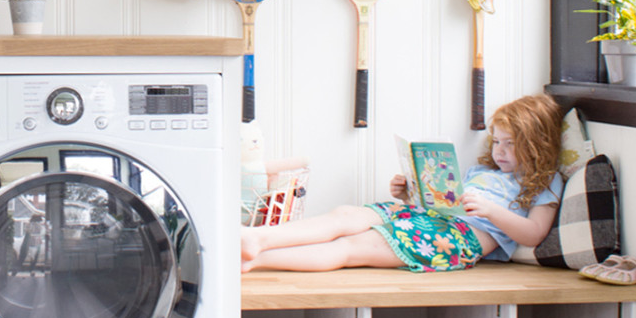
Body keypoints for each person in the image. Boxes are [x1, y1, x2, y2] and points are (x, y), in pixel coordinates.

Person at [241, 94, 564, 273]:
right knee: (345, 215)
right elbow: (445, 204)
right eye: (497, 142)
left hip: (456, 239)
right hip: (432, 218)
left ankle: (254, 261)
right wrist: (413, 193)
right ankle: (259, 237)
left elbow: (534, 234)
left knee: (352, 247)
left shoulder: (546, 182)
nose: (500, 151)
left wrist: (491, 210)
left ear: (537, 145)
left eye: (510, 144)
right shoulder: (483, 171)